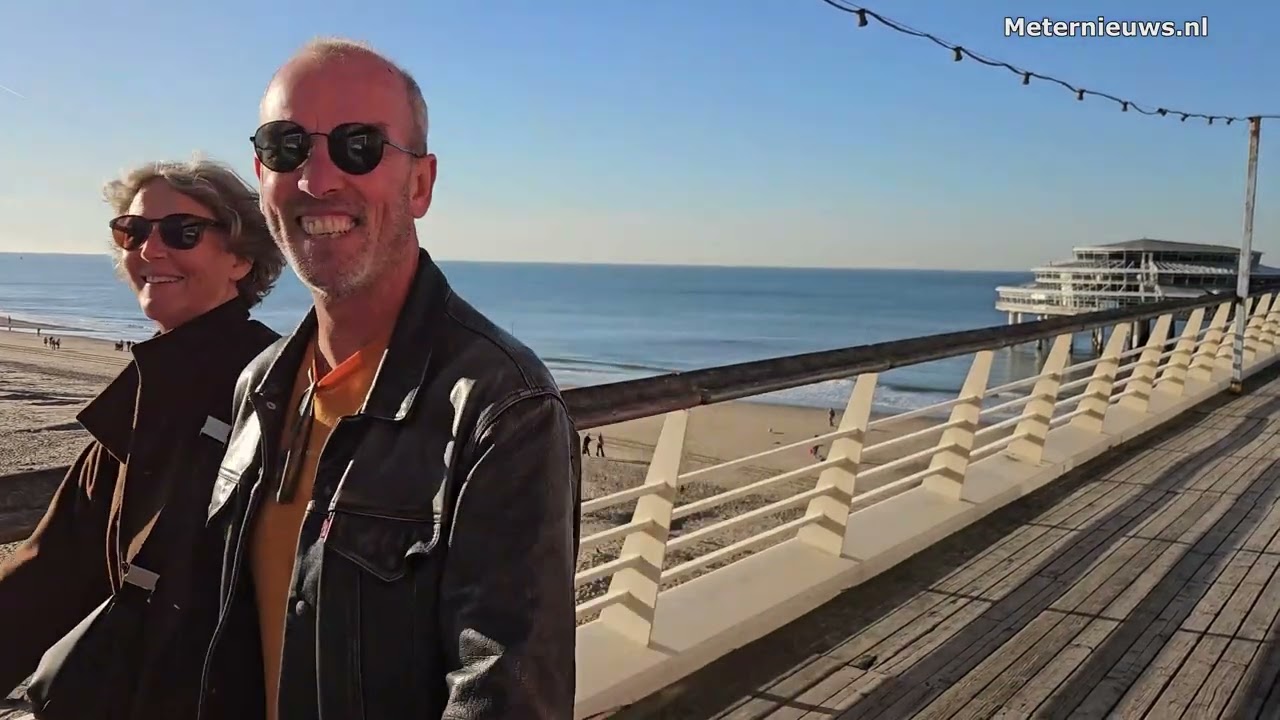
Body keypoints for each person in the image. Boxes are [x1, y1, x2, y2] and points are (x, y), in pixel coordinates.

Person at [197, 39, 582, 720]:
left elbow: (502, 695)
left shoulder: (501, 406)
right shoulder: (262, 385)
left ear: (420, 184)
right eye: (288, 147)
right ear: (262, 178)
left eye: (359, 146)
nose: (317, 180)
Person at [0, 158, 285, 718]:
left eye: (182, 232)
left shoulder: (281, 392)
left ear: (241, 258)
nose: (150, 251)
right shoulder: (146, 388)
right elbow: (50, 573)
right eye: (132, 233)